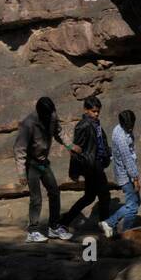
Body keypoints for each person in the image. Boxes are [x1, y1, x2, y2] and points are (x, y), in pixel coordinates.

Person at [13, 96, 81, 243]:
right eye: (47, 114)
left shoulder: (52, 116)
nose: (50, 116)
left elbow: (59, 132)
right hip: (31, 164)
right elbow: (20, 149)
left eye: (52, 113)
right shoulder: (29, 124)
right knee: (36, 198)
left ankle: (54, 227)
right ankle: (33, 231)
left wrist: (70, 145)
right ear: (40, 112)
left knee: (55, 192)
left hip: (44, 162)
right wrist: (21, 173)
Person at [61, 96, 111, 230]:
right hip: (92, 165)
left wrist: (107, 154)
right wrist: (76, 170)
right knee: (104, 195)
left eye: (98, 111)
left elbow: (100, 142)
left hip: (98, 163)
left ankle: (64, 221)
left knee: (89, 197)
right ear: (86, 110)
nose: (96, 114)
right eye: (93, 111)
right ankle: (105, 225)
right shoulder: (83, 125)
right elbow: (77, 150)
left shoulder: (96, 124)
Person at [100, 110, 140, 238]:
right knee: (133, 206)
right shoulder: (121, 137)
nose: (130, 128)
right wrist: (135, 179)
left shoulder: (118, 128)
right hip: (126, 175)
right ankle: (124, 234)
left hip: (123, 172)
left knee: (135, 202)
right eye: (128, 125)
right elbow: (127, 160)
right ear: (123, 123)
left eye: (131, 125)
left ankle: (109, 223)